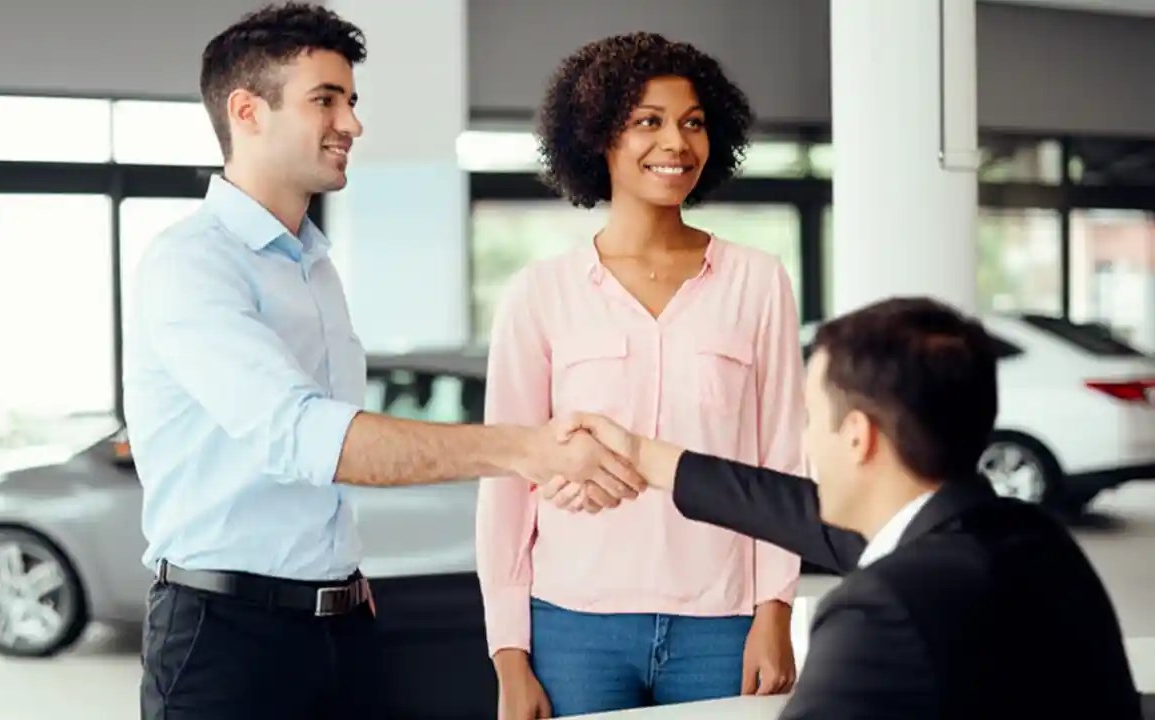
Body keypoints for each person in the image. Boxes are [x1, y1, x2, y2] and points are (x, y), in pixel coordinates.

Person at [121, 5, 642, 719]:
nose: (352, 124)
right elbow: (307, 436)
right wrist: (530, 449)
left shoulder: (313, 265)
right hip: (226, 637)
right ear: (247, 112)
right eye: (324, 100)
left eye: (351, 101)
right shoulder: (190, 263)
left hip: (340, 623)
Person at [551, 297, 1144, 719]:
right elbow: (796, 513)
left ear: (858, 437)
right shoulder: (1026, 538)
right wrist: (643, 456)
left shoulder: (883, 610)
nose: (807, 442)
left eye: (812, 420)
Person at [477, 32, 803, 719]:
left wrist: (775, 609)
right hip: (572, 625)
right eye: (647, 122)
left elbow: (783, 460)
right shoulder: (540, 293)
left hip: (724, 622)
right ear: (597, 136)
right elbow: (506, 478)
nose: (676, 143)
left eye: (692, 123)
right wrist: (509, 654)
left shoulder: (759, 282)